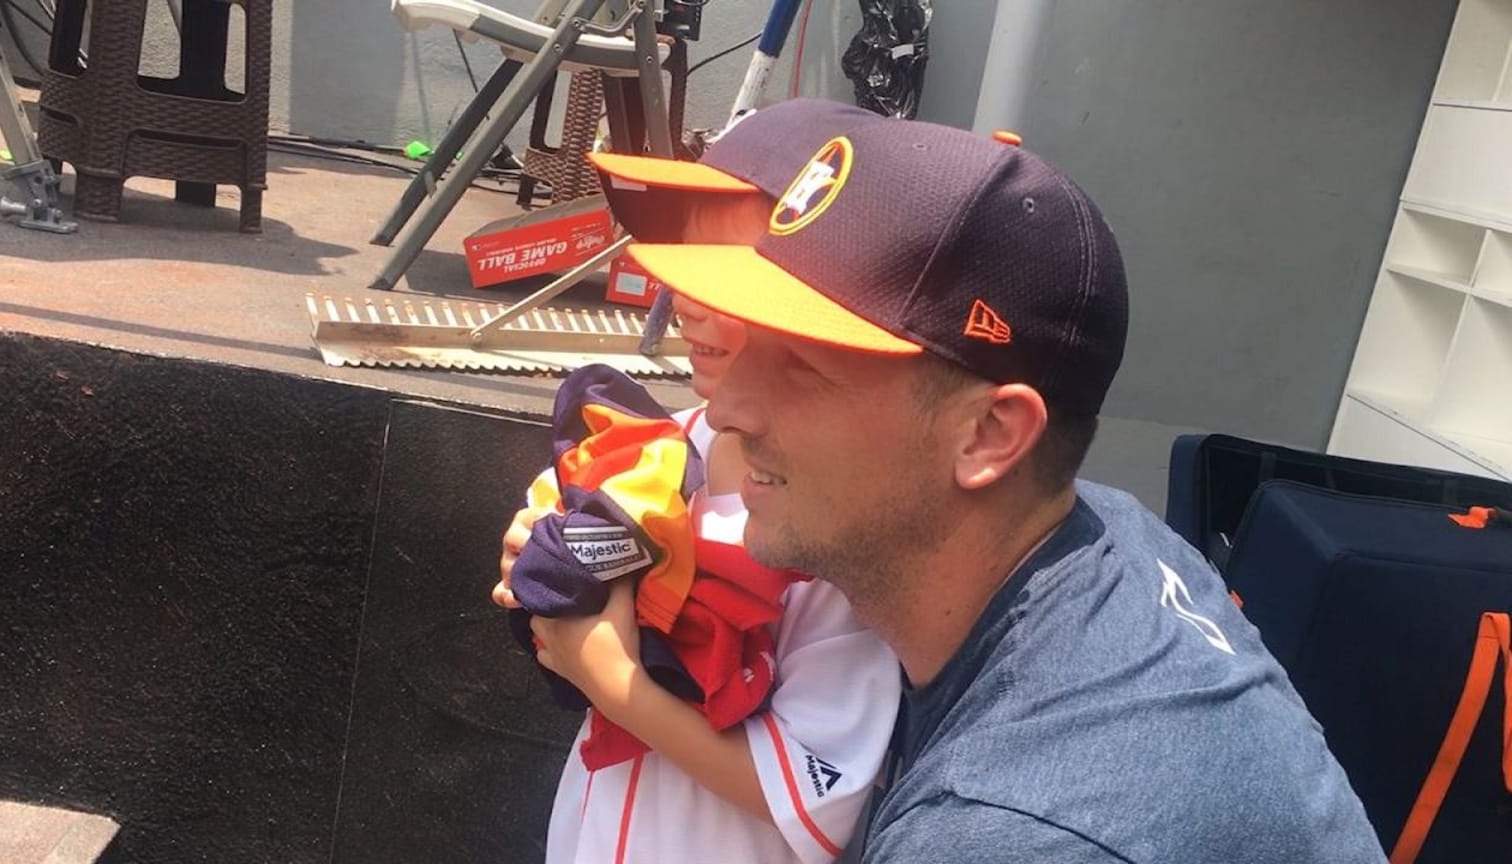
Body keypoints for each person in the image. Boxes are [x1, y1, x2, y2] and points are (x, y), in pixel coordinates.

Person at [583, 101, 1390, 862]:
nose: (729, 412)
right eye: (747, 346)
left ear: (990, 436)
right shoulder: (1106, 533)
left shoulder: (1010, 829)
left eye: (801, 368)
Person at [494, 100, 902, 864]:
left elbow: (816, 805)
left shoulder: (840, 510)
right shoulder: (657, 441)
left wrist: (611, 678)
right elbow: (558, 604)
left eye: (732, 276)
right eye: (687, 259)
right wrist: (543, 560)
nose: (687, 301)